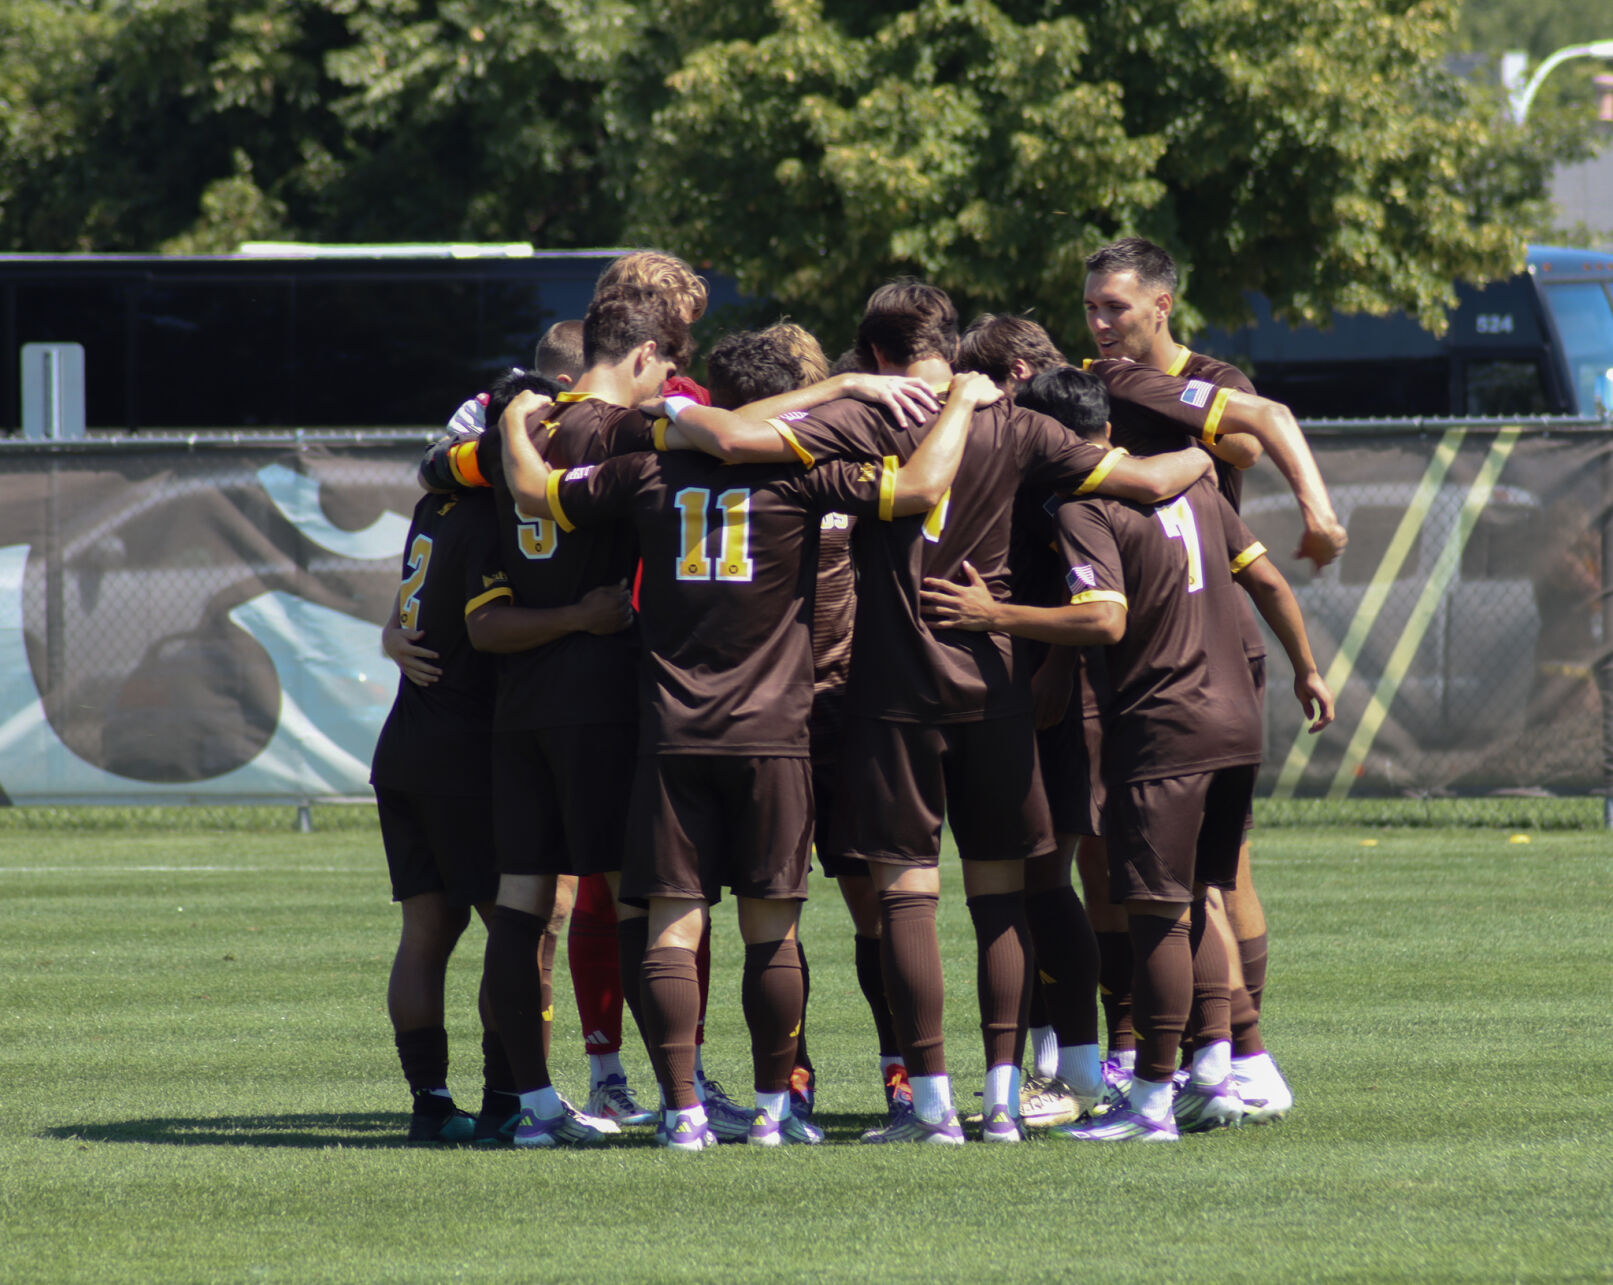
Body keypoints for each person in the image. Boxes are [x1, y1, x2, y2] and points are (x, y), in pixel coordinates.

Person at [658, 279, 1215, 1143]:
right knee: (1002, 895)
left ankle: (928, 1106)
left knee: (906, 897)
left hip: (892, 690)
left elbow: (735, 438)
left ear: (876, 356)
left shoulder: (864, 417)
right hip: (991, 685)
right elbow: (1143, 479)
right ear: (948, 343)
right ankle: (999, 1105)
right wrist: (1203, 460)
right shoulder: (1018, 422)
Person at [494, 364, 996, 1148]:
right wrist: (961, 398)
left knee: (670, 924)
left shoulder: (644, 471)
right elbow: (924, 486)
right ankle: (771, 1111)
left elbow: (532, 492)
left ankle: (683, 1113)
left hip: (669, 733)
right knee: (772, 930)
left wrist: (506, 429)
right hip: (772, 735)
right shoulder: (799, 477)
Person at [921, 364, 1333, 1141]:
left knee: (1154, 917)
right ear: (1107, 431)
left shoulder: (1084, 508)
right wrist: (1308, 669)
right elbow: (1271, 581)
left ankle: (1148, 1104)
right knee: (1202, 894)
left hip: (1163, 727)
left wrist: (992, 612)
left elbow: (1104, 619)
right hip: (1238, 721)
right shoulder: (1196, 489)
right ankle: (1215, 1069)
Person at [1084, 236, 1334, 1115]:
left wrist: (1319, 509)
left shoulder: (1185, 377)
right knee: (1132, 860)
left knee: (1209, 871)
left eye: (1114, 306)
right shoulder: (1102, 379)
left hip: (1196, 645)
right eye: (1090, 307)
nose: (1100, 323)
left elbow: (1258, 433)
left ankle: (1231, 1052)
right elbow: (1241, 442)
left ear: (1161, 304)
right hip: (1131, 644)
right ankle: (1189, 1054)